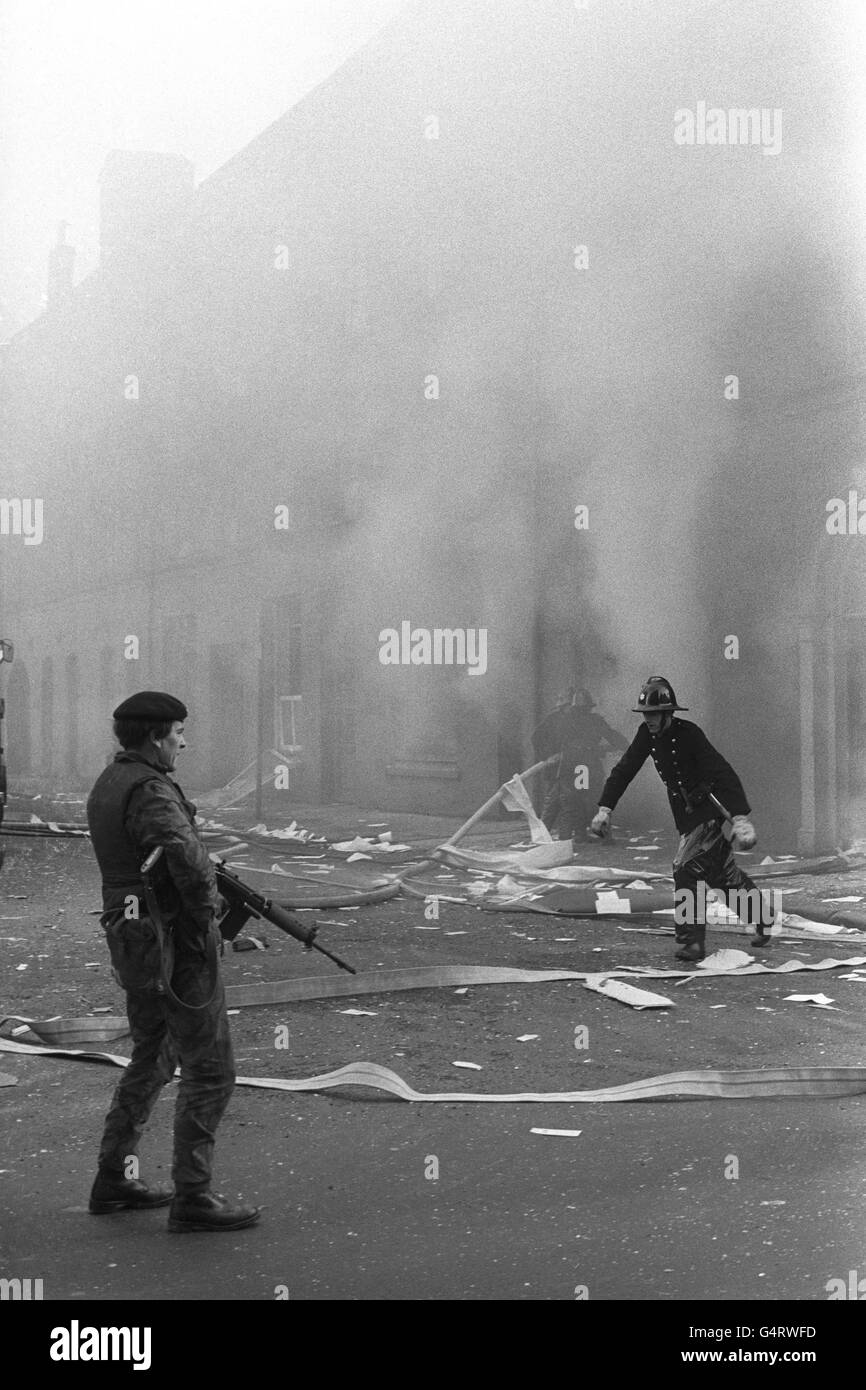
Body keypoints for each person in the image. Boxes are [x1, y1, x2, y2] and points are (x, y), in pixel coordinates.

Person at [85, 691, 260, 1232]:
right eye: (179, 731)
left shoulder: (111, 782)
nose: (184, 741)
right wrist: (211, 920)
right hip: (174, 941)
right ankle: (194, 1195)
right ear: (157, 736)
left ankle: (113, 1177)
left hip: (136, 939)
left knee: (154, 1054)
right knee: (210, 1069)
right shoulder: (150, 788)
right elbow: (183, 861)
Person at [590, 676, 773, 962]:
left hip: (707, 811)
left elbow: (722, 771)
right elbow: (625, 769)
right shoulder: (646, 735)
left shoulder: (690, 734)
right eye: (646, 714)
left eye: (653, 714)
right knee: (722, 875)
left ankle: (692, 943)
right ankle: (763, 917)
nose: (649, 719)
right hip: (685, 814)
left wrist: (739, 816)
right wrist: (605, 808)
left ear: (668, 713)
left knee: (685, 867)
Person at [532, 687, 628, 842]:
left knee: (576, 802)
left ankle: (580, 835)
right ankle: (589, 835)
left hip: (576, 767)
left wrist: (627, 746)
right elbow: (611, 735)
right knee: (583, 802)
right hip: (580, 767)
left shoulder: (568, 720)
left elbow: (610, 736)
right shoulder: (569, 720)